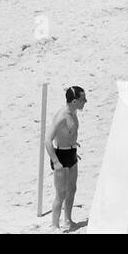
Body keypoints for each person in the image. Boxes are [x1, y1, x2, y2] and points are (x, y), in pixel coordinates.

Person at [46, 85, 87, 232]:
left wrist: (73, 145)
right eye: (83, 99)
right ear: (74, 101)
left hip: (71, 153)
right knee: (61, 194)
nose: (85, 101)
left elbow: (68, 134)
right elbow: (47, 140)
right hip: (61, 157)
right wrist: (56, 162)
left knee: (72, 189)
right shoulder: (61, 116)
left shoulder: (74, 112)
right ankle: (55, 225)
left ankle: (68, 220)